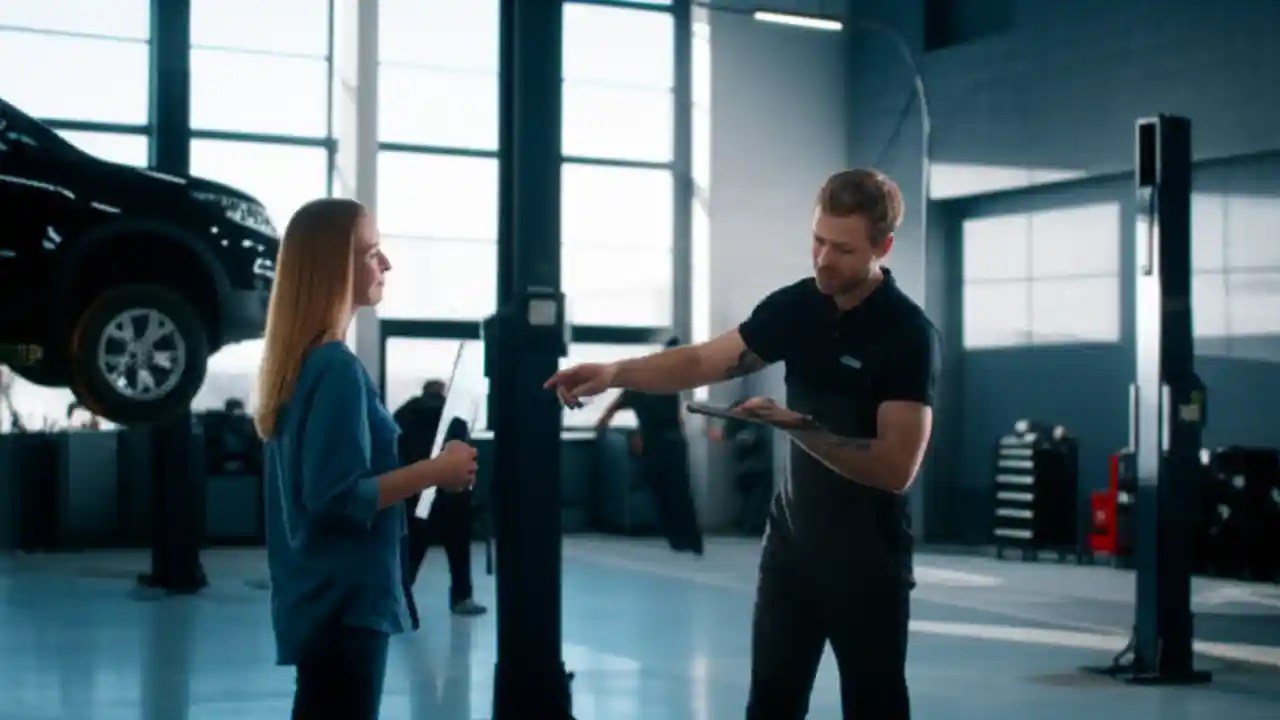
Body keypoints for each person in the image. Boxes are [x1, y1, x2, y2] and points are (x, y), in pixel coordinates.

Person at [545, 169, 941, 719]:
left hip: (867, 562)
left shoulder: (907, 334)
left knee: (874, 707)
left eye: (843, 249)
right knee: (770, 705)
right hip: (791, 550)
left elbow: (897, 467)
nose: (823, 259)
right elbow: (702, 359)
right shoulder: (798, 307)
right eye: (817, 240)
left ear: (883, 246)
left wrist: (797, 426)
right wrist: (615, 371)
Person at [254, 197, 479, 720]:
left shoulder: (300, 366)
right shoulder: (335, 368)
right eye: (372, 252)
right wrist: (437, 471)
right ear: (335, 266)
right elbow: (337, 497)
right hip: (347, 605)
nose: (386, 264)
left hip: (319, 600)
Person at [595, 336, 704, 555]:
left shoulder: (658, 380)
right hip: (665, 440)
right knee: (674, 489)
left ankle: (684, 538)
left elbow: (620, 405)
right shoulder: (662, 380)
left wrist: (606, 422)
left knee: (671, 489)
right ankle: (685, 538)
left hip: (661, 440)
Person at [394, 379, 488, 617]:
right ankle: (461, 598)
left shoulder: (404, 415)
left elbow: (396, 450)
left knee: (413, 549)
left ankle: (398, 598)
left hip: (416, 490)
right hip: (451, 494)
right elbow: (464, 454)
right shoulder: (453, 417)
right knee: (458, 551)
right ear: (443, 392)